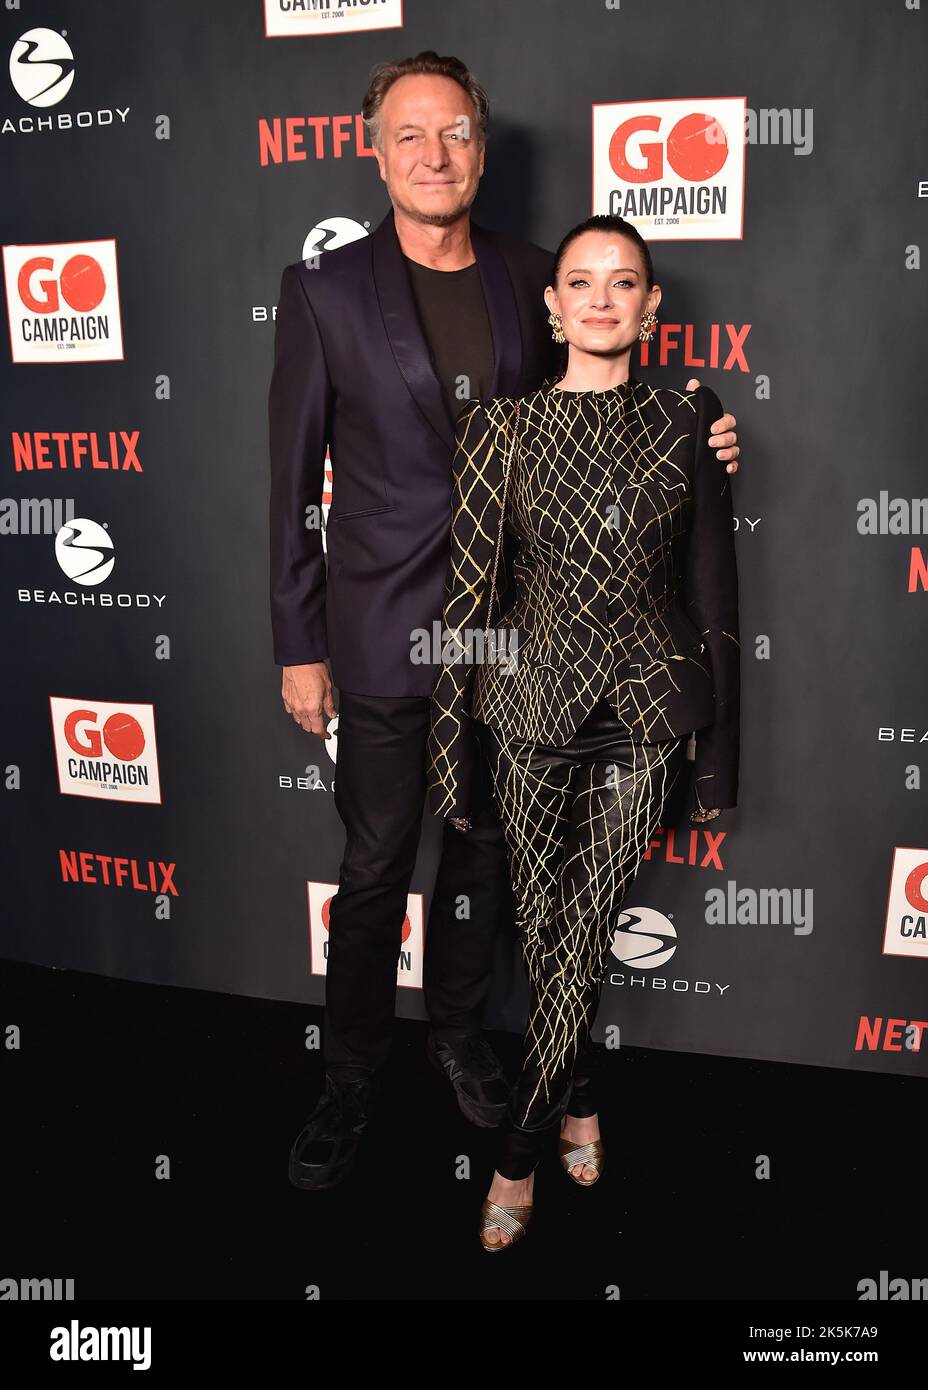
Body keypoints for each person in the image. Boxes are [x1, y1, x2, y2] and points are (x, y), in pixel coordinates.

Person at [269, 51, 741, 1193]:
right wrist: (299, 640)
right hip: (386, 629)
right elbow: (289, 482)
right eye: (411, 135)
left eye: (457, 134)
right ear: (373, 150)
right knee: (378, 862)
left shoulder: (535, 273)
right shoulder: (324, 290)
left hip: (514, 640)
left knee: (481, 856)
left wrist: (706, 429)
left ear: (481, 145)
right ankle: (350, 1079)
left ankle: (458, 1036)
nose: (436, 156)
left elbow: (603, 401)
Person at [426, 212, 741, 1249]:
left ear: (652, 308)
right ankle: (580, 1091)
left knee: (586, 916)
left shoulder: (688, 420)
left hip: (646, 718)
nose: (601, 298)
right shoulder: (499, 431)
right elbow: (468, 601)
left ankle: (514, 1156)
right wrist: (451, 758)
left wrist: (719, 759)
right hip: (524, 714)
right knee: (551, 929)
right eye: (581, 282)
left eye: (624, 282)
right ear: (553, 306)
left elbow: (710, 592)